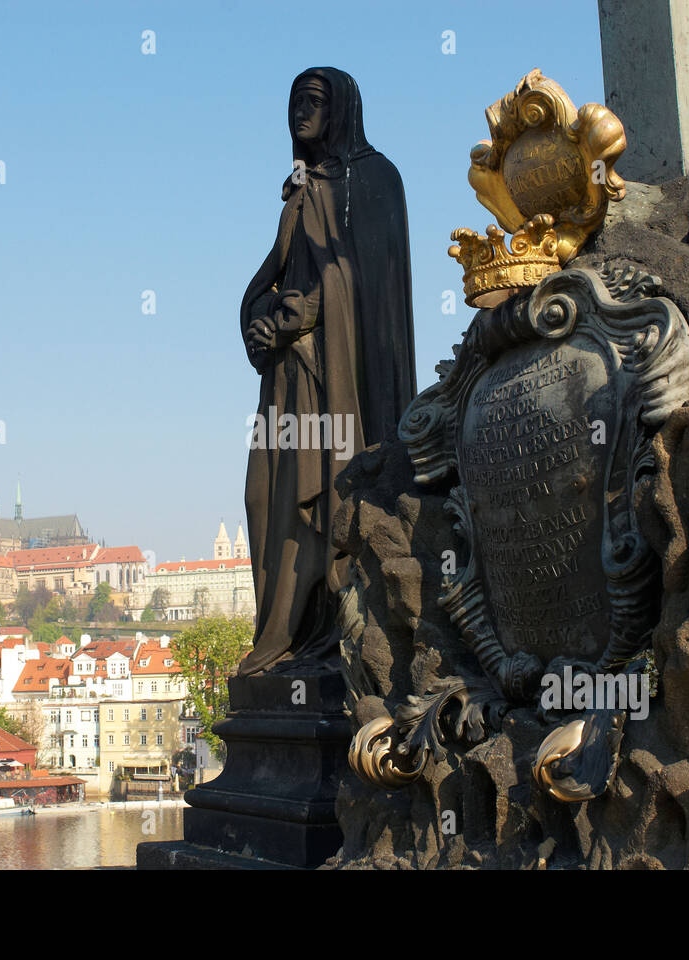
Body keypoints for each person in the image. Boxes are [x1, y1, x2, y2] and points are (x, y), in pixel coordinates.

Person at [239, 67, 416, 676]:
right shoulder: (299, 188)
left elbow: (363, 286)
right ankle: (281, 636)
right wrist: (262, 320)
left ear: (339, 109)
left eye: (313, 102)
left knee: (325, 503)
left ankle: (331, 637)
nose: (300, 113)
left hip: (337, 381)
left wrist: (301, 312)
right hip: (286, 378)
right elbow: (272, 276)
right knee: (264, 497)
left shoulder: (377, 181)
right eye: (293, 102)